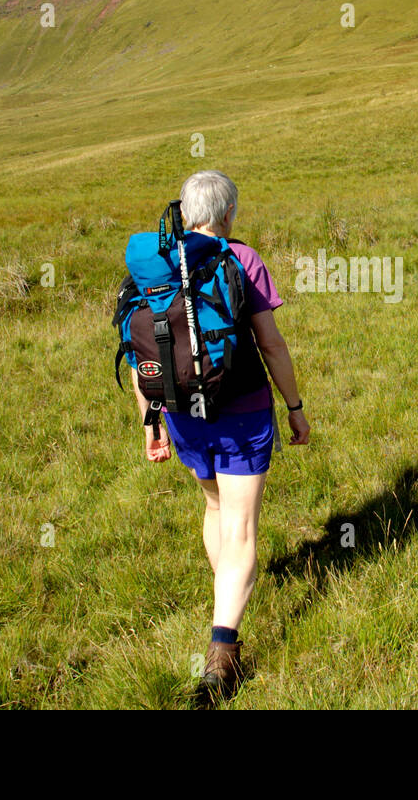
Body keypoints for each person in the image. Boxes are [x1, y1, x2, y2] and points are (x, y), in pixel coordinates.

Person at [131, 170, 311, 697]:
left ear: (185, 214)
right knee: (241, 527)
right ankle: (222, 654)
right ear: (227, 213)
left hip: (181, 413)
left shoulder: (154, 265)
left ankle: (225, 591)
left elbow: (142, 349)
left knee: (214, 506)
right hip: (243, 410)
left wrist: (150, 420)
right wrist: (295, 407)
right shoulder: (241, 258)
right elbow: (271, 344)